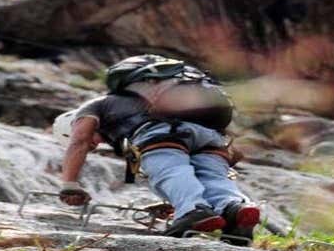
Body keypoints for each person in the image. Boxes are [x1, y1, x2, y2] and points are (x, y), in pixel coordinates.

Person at [56, 54, 260, 240]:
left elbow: (79, 141)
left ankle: (192, 210)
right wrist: (173, 201)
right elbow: (204, 172)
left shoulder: (96, 106)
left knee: (169, 170)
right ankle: (234, 209)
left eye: (93, 142)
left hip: (163, 133)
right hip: (211, 135)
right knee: (212, 176)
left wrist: (69, 184)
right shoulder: (148, 103)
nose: (94, 145)